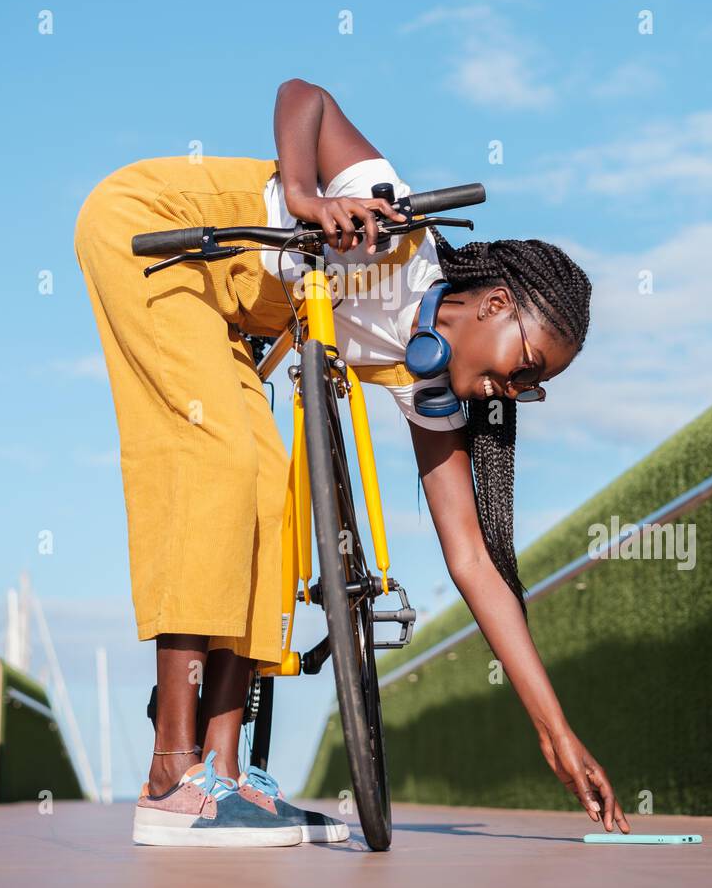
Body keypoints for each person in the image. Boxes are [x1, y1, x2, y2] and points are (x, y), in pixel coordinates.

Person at [74, 77, 630, 846]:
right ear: (496, 305)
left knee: (272, 489)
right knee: (225, 460)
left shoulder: (426, 381)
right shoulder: (394, 230)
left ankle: (223, 775)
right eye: (527, 365)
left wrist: (556, 732)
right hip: (156, 232)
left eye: (533, 388)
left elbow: (471, 558)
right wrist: (306, 196)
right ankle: (173, 772)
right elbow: (306, 96)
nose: (517, 388)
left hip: (222, 309)